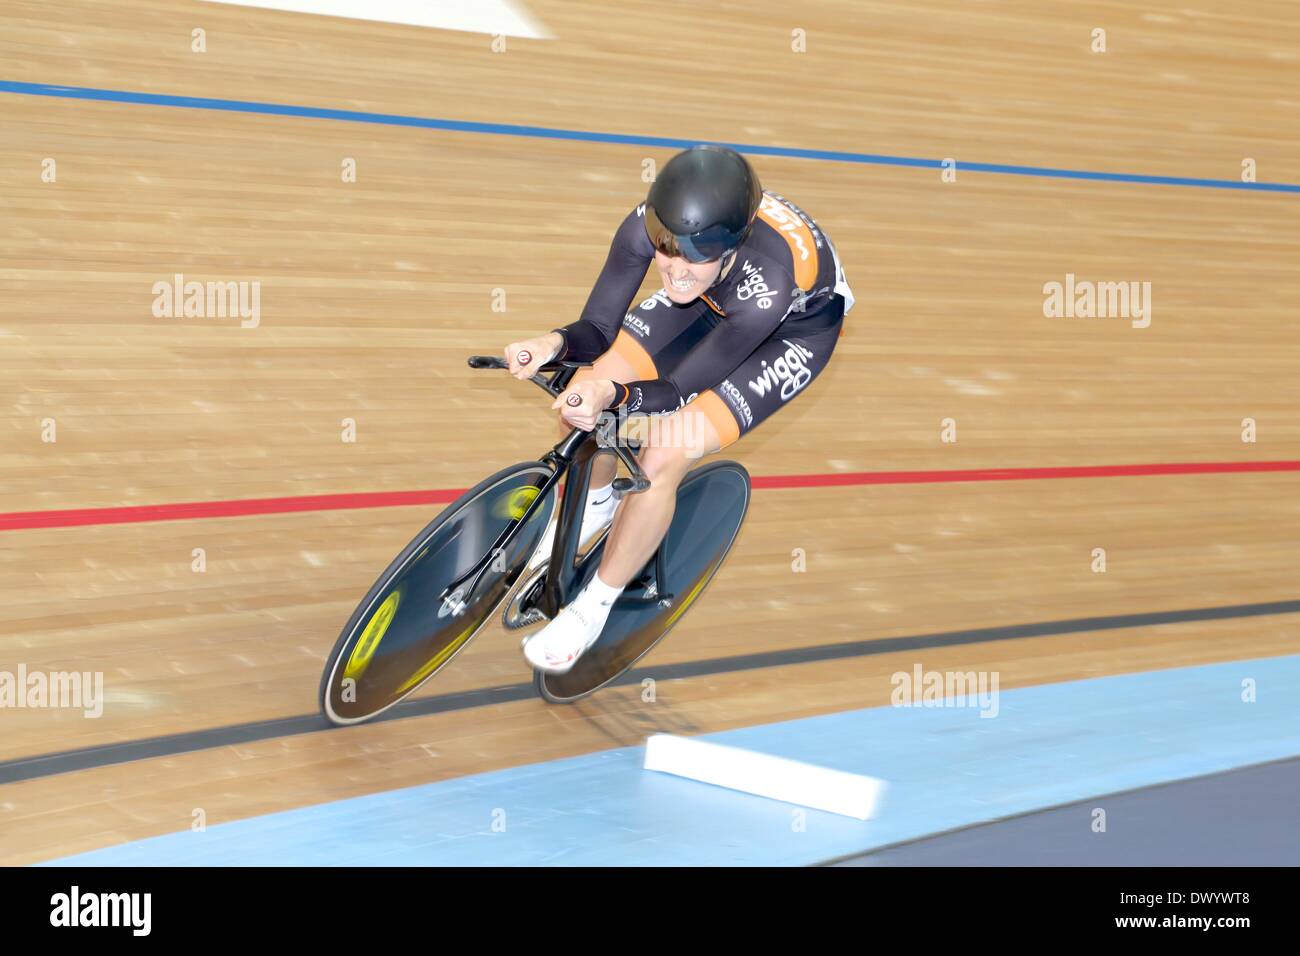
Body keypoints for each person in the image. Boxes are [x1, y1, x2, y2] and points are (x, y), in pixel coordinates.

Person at [503, 145, 854, 674]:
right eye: (666, 248)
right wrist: (552, 344)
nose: (674, 266)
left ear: (731, 250)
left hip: (789, 334)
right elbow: (597, 331)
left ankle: (592, 609)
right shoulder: (648, 229)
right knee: (585, 392)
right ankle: (595, 505)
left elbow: (677, 391)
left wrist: (615, 400)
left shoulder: (768, 287)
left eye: (694, 255)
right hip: (716, 302)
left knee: (665, 450)